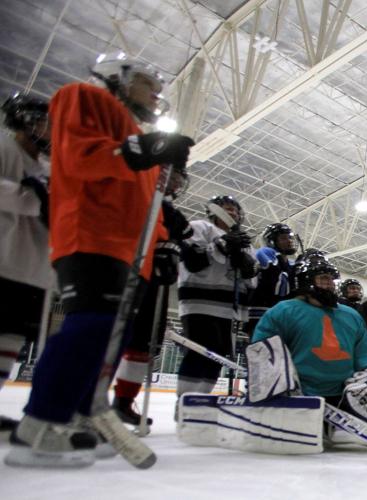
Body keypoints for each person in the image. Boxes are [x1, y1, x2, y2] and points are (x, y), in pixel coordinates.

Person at [6, 53, 194, 468]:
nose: (158, 92)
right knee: (90, 325)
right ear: (120, 78)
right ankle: (40, 423)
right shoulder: (83, 97)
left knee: (110, 337)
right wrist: (138, 148)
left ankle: (75, 414)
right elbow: (77, 157)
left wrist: (163, 242)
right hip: (90, 234)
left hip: (125, 247)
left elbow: (141, 203)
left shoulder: (130, 127)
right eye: (149, 82)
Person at [250, 252, 367, 430]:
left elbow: (366, 353)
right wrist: (277, 386)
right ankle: (286, 416)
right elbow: (262, 352)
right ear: (305, 281)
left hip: (343, 394)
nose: (330, 285)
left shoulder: (350, 314)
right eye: (323, 279)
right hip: (299, 393)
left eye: (332, 280)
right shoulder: (283, 311)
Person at [111, 167, 191, 427]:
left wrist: (173, 250)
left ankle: (123, 400)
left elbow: (186, 248)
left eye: (178, 178)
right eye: (169, 175)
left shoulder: (173, 215)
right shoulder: (131, 194)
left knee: (143, 343)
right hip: (122, 272)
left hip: (153, 280)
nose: (174, 182)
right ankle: (87, 398)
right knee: (110, 335)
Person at [0, 94, 53, 433]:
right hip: (3, 258)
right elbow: (26, 199)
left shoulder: (49, 166)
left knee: (12, 338)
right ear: (27, 119)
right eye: (47, 122)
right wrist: (29, 196)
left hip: (34, 267)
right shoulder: (4, 150)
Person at [175, 195, 257, 401]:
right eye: (227, 208)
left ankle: (199, 400)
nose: (232, 213)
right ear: (213, 210)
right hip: (199, 303)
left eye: (235, 210)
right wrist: (221, 245)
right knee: (199, 353)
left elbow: (252, 279)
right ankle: (185, 400)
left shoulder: (245, 243)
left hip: (229, 309)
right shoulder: (200, 227)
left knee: (217, 358)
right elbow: (193, 261)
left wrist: (245, 264)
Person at [247, 222, 300, 335]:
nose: (289, 241)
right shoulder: (265, 252)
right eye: (283, 238)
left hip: (277, 313)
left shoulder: (288, 262)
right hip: (261, 313)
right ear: (272, 241)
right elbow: (280, 285)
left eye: (290, 237)